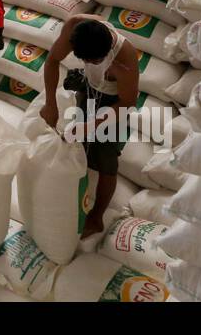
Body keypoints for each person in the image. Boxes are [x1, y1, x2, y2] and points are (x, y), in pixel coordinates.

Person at [40, 14, 142, 239]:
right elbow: (52, 60)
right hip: (89, 90)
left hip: (114, 102)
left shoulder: (124, 58)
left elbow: (127, 103)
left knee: (106, 159)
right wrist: (50, 103)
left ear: (107, 54)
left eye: (96, 62)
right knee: (77, 143)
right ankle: (74, 188)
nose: (90, 64)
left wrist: (91, 125)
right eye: (86, 61)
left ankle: (96, 217)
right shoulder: (75, 27)